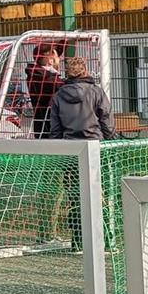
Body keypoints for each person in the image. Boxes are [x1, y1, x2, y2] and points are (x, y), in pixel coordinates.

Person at [49, 56, 115, 251]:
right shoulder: (96, 92)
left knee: (75, 195)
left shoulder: (58, 96)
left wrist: (58, 151)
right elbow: (106, 120)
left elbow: (55, 129)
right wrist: (110, 141)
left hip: (71, 150)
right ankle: (105, 241)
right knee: (99, 194)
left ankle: (78, 241)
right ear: (85, 70)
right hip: (95, 147)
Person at [25, 43, 63, 139]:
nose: (59, 59)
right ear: (49, 59)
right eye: (57, 56)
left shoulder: (38, 75)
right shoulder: (47, 78)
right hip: (50, 128)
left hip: (42, 125)